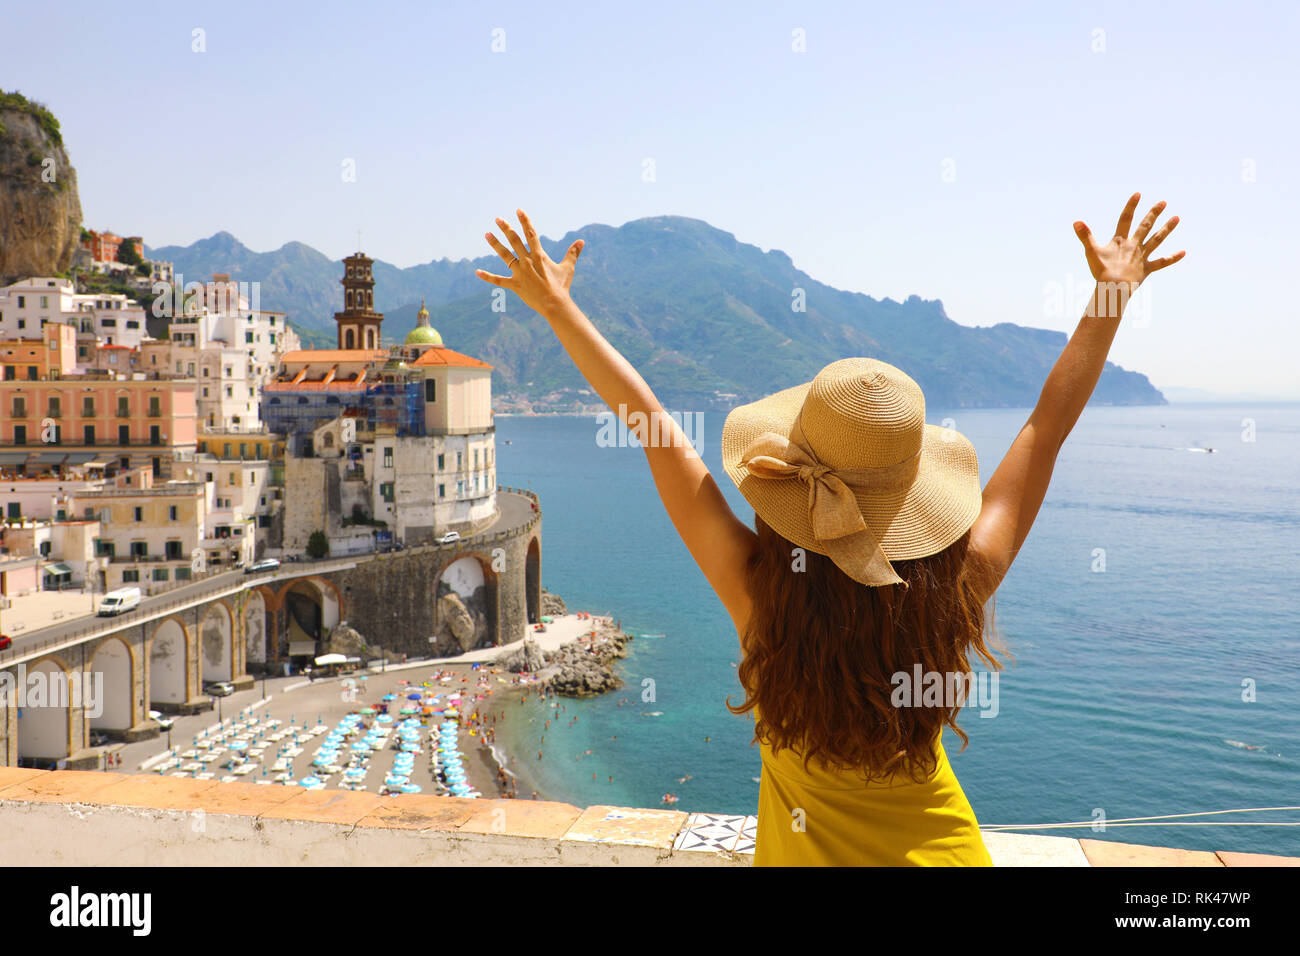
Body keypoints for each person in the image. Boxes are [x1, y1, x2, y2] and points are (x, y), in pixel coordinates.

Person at [475, 199, 1183, 865]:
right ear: (918, 493)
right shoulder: (958, 586)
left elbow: (655, 427)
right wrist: (1110, 294)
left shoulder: (763, 602)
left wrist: (557, 306)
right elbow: (1045, 429)